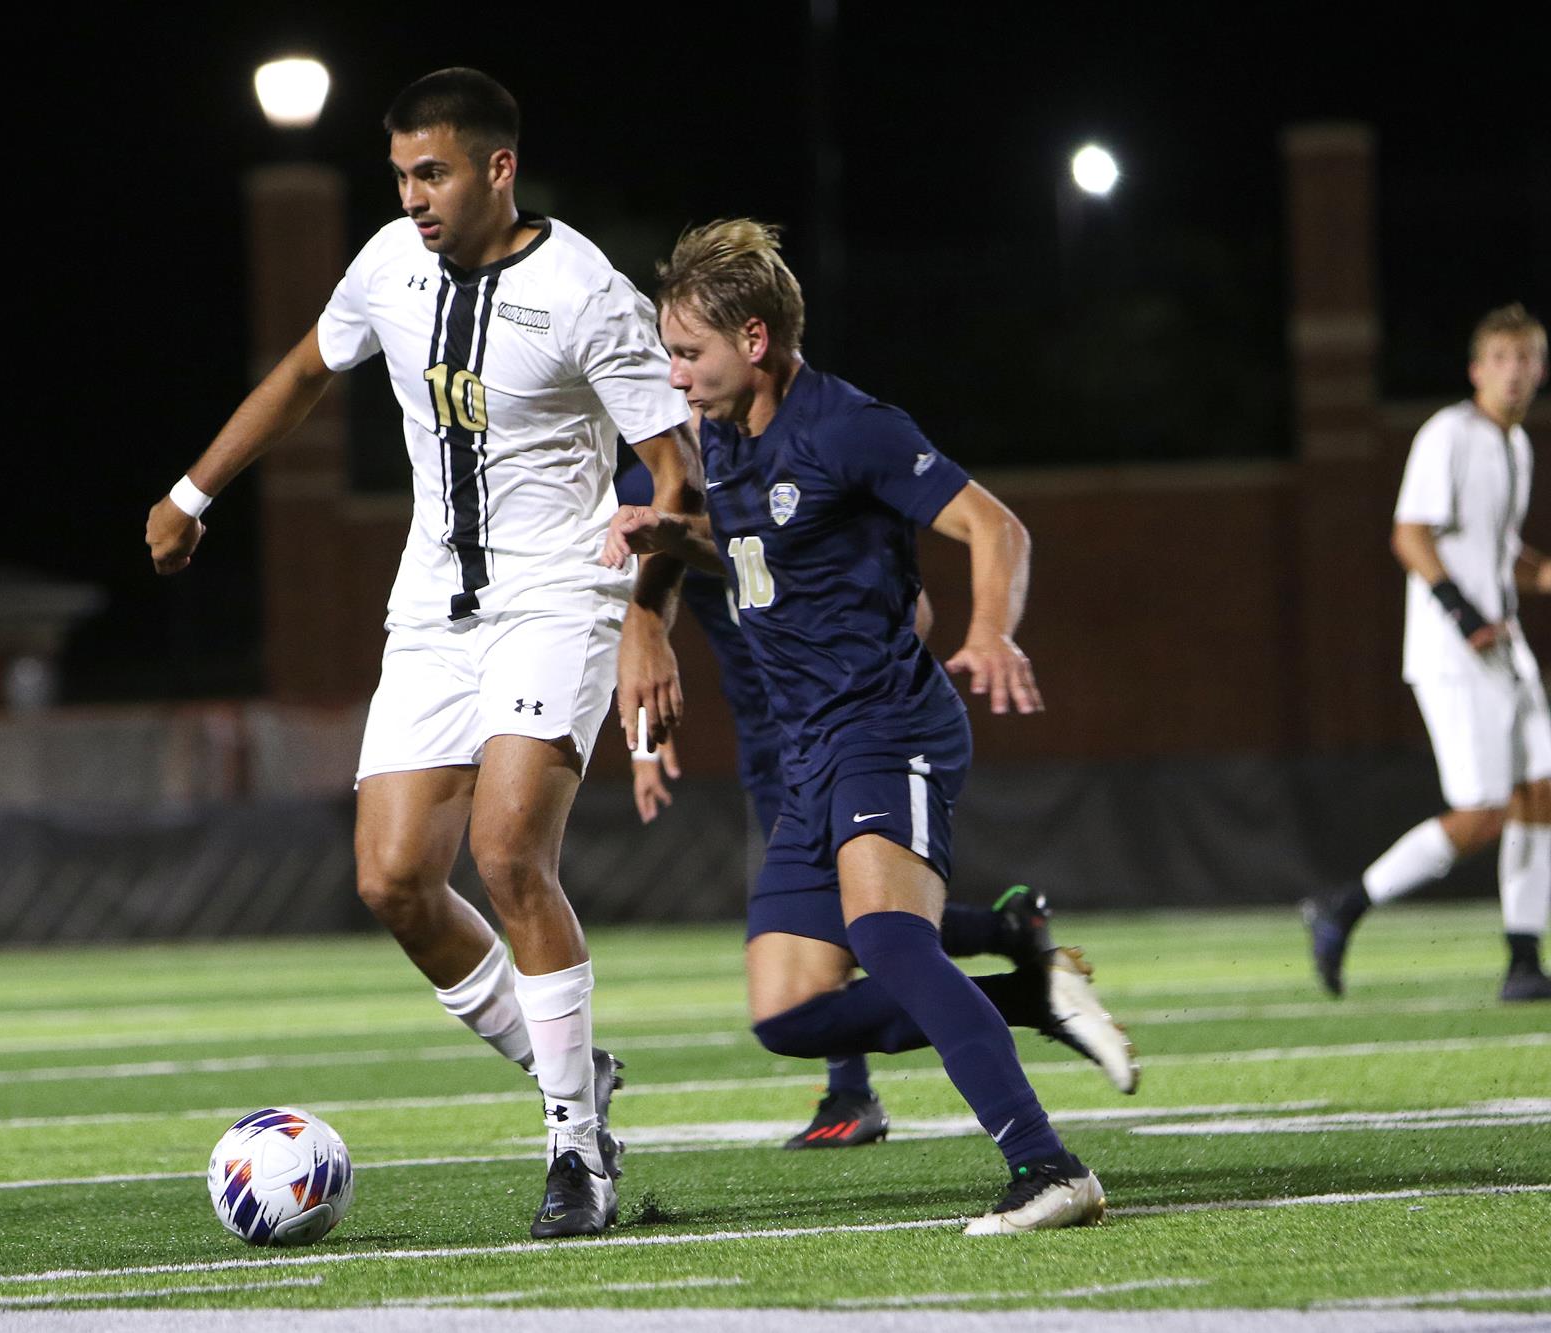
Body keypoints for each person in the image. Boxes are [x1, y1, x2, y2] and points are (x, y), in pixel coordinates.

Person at [145, 68, 702, 1238]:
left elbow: (676, 474)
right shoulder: (388, 267)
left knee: (506, 854)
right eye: (400, 174)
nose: (411, 197)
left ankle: (574, 1149)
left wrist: (647, 617)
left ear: (499, 168)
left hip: (558, 598)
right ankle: (573, 1073)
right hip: (430, 612)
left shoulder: (583, 291)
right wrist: (193, 493)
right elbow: (305, 370)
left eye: (433, 173)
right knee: (394, 879)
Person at [603, 218, 1104, 1233]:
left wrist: (991, 632)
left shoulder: (847, 426)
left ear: (753, 339)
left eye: (688, 351)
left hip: (886, 722)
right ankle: (1029, 996)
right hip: (807, 748)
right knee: (789, 1015)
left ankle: (1046, 1164)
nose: (673, 374)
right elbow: (754, 551)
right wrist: (672, 537)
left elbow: (995, 525)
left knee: (887, 935)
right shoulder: (719, 435)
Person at [616, 464, 1137, 1150]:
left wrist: (884, 698)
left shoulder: (810, 445)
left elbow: (938, 579)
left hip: (860, 732)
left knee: (880, 931)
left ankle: (1018, 1149)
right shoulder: (659, 483)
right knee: (792, 1003)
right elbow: (647, 597)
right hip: (778, 741)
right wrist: (643, 733)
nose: (687, 401)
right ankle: (1016, 956)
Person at [1305, 303, 1551, 1003]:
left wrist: (1541, 575)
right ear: (1476, 370)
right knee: (1482, 813)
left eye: (1525, 358)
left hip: (1504, 649)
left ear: (1540, 369)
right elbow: (1409, 534)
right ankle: (1344, 904)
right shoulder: (1451, 432)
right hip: (1454, 651)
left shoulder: (1516, 445)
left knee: (1541, 788)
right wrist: (1463, 613)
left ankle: (1523, 960)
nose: (1513, 371)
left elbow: (1499, 553)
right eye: (1500, 358)